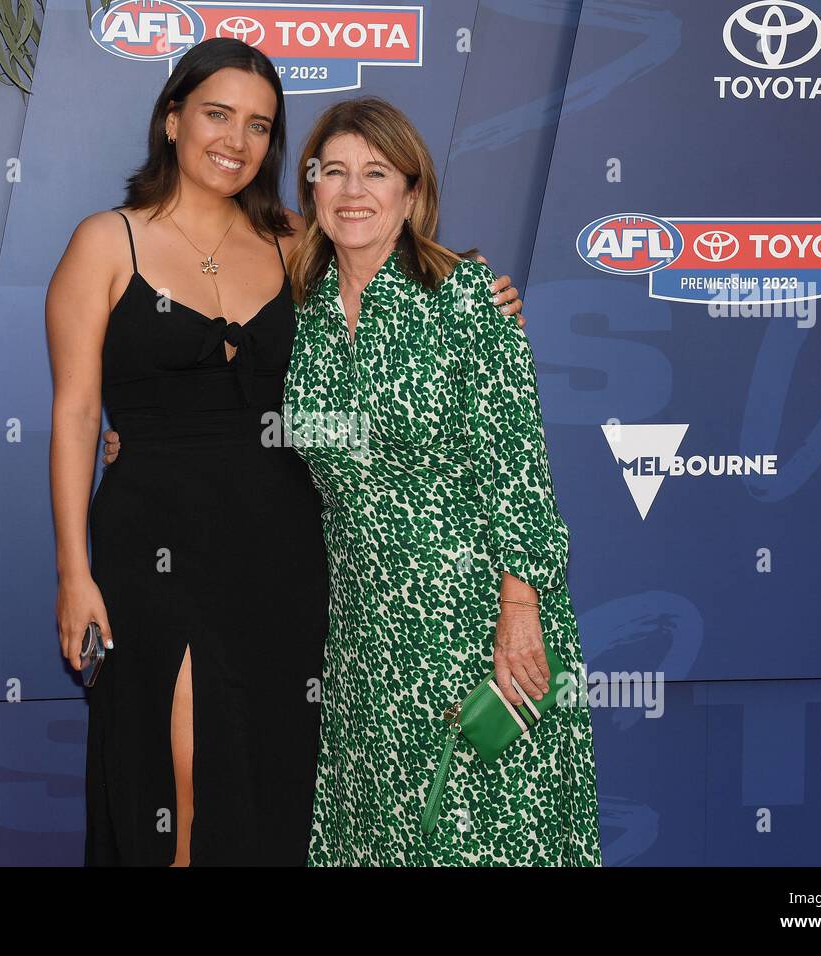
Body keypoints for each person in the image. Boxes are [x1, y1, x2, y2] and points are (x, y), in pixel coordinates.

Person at [47, 39, 526, 866]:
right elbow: (77, 413)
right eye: (217, 114)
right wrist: (73, 571)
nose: (236, 139)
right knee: (172, 768)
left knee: (271, 769)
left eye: (261, 126)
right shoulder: (105, 242)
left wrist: (479, 288)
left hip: (286, 547)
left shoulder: (293, 241)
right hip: (152, 540)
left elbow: (392, 284)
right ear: (172, 120)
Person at [283, 97, 603, 866]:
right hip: (366, 635)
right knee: (384, 834)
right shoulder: (306, 314)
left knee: (481, 836)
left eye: (376, 172)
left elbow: (519, 465)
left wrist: (520, 610)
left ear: (411, 191)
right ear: (312, 189)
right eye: (335, 172)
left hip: (476, 619)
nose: (353, 191)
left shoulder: (463, 298)